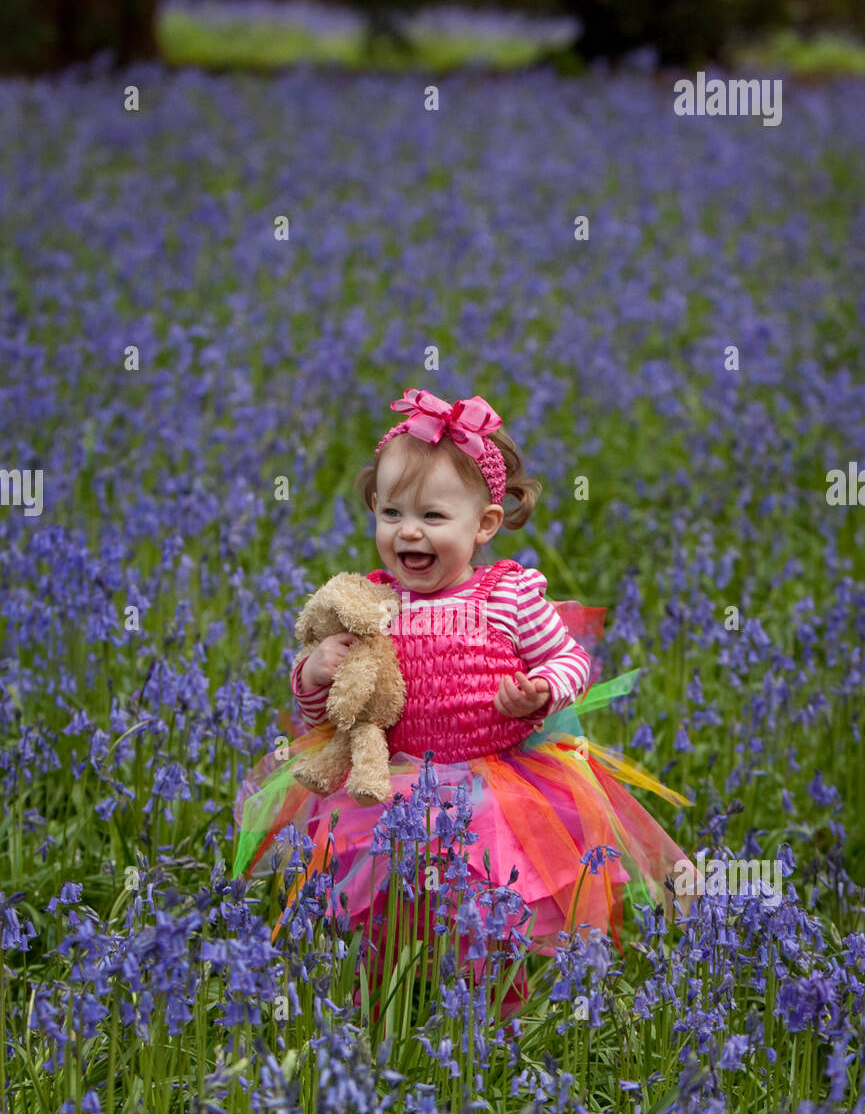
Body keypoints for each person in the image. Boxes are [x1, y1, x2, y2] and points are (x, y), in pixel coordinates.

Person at [232, 388, 695, 1012]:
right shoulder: (371, 603)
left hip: (493, 783)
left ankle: (494, 1012)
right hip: (391, 778)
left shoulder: (509, 596)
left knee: (484, 901)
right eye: (391, 513)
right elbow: (331, 718)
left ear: (484, 526)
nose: (409, 532)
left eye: (433, 517)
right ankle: (381, 1001)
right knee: (384, 899)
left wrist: (539, 693)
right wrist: (315, 674)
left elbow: (572, 661)